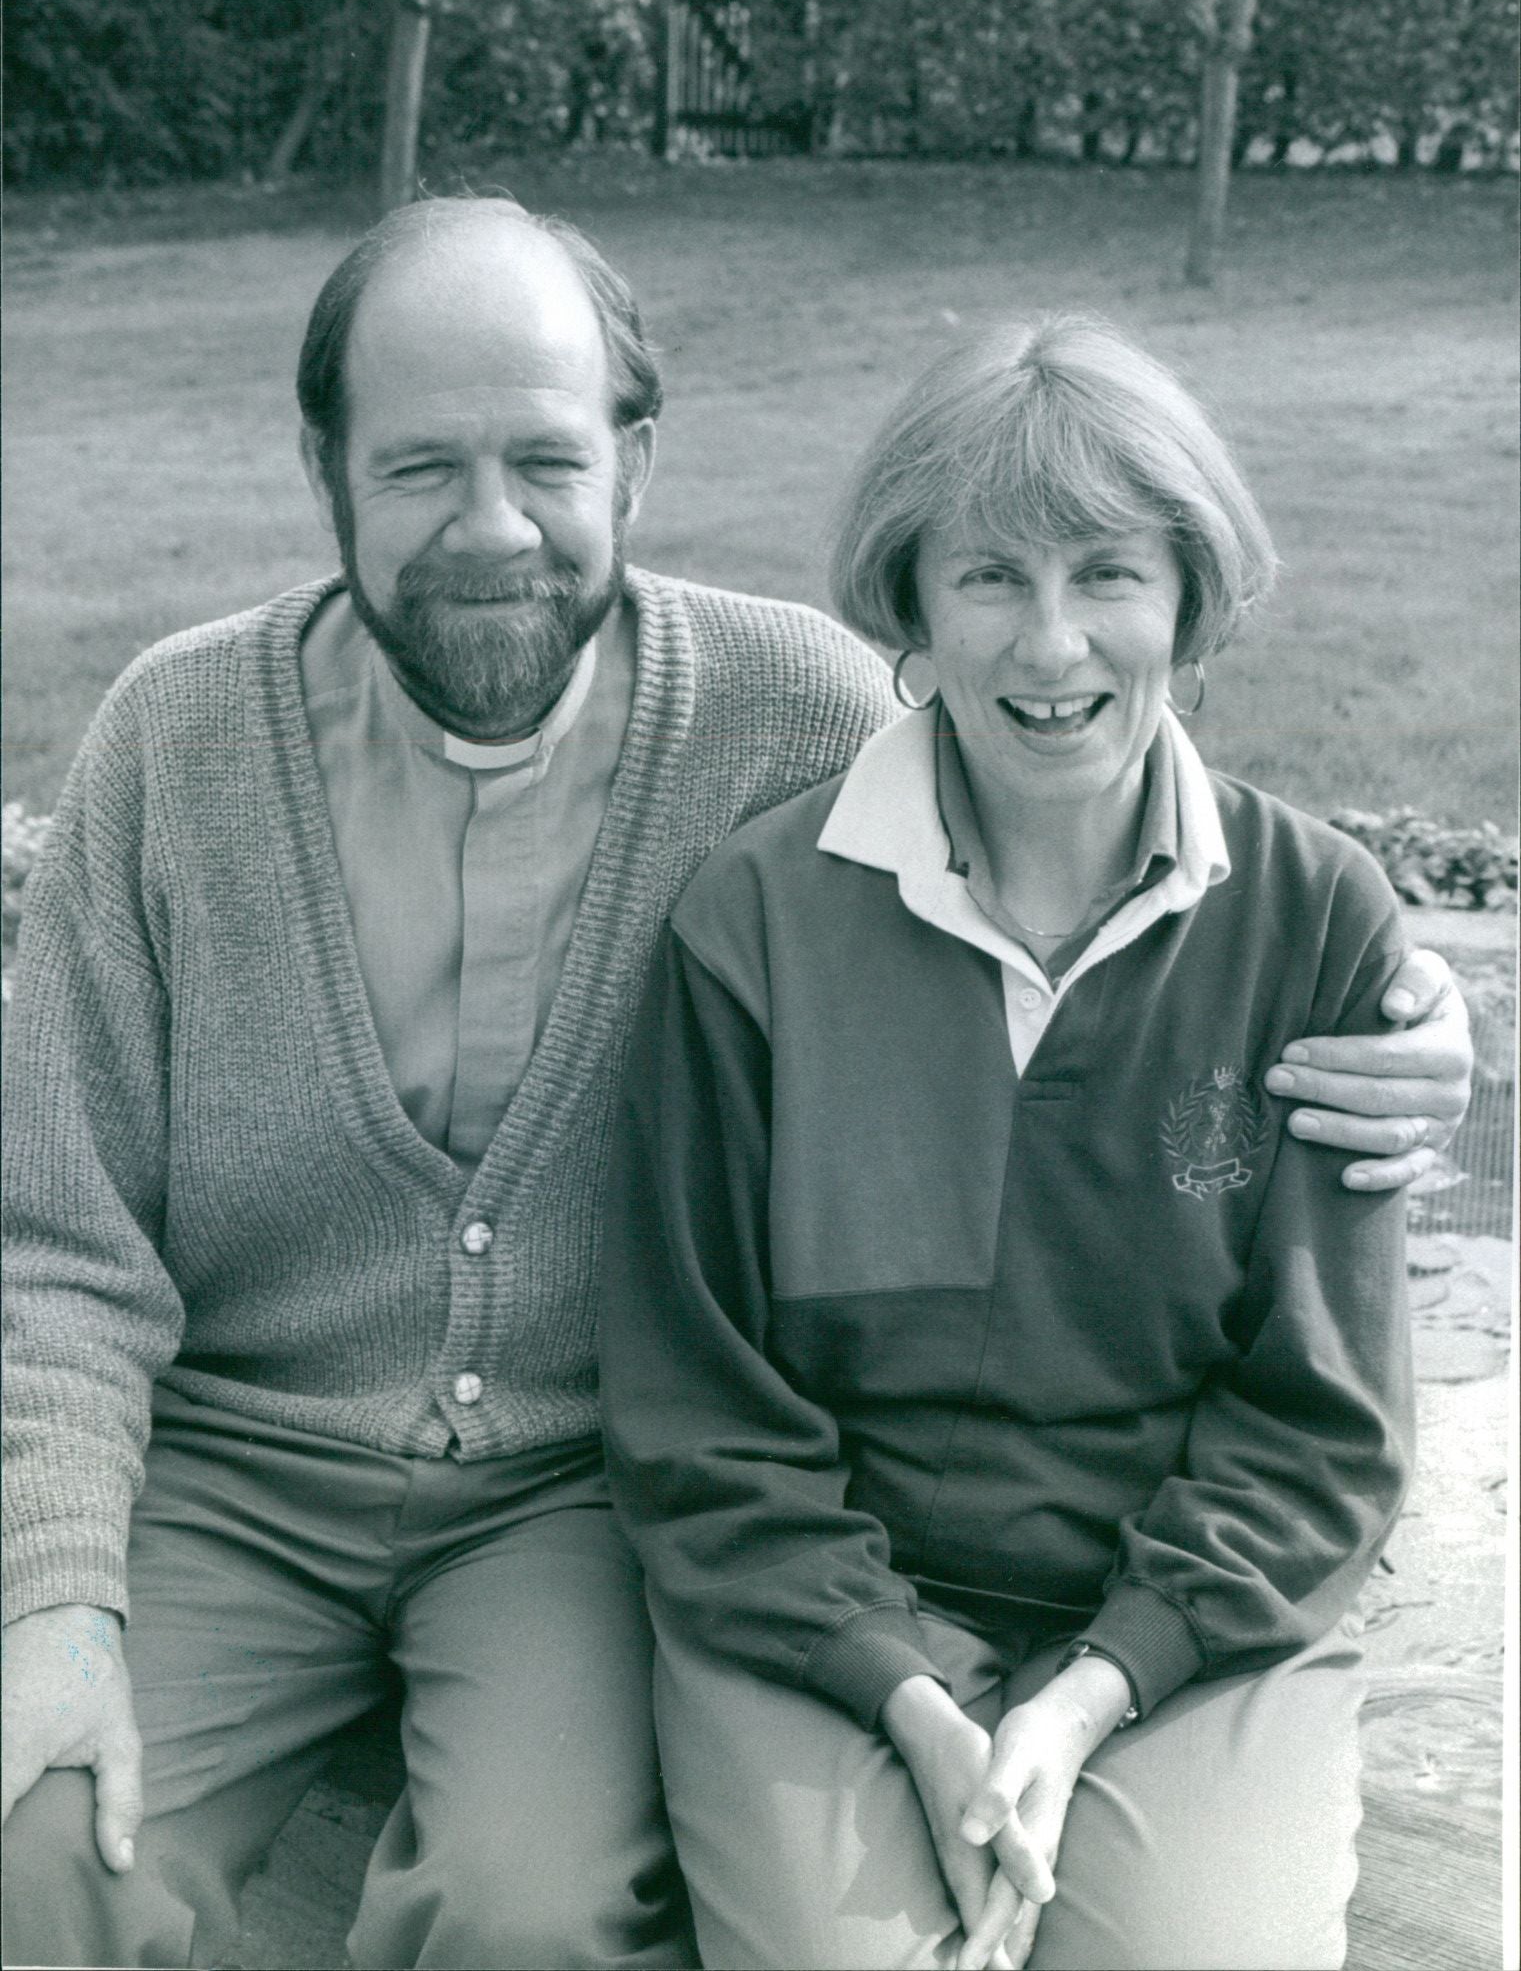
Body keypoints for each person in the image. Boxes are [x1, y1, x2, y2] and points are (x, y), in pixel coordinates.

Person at [0, 202, 1466, 1971]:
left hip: (560, 1496)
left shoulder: (797, 710)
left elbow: (1067, 804)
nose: (492, 525)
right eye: (421, 467)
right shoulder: (176, 739)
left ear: (635, 459)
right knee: (39, 1842)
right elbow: (54, 1238)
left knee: (531, 1911)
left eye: (547, 460)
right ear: (326, 469)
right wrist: (55, 1594)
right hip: (242, 1472)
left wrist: (1408, 1024)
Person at [599, 316, 1443, 1971]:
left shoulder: (1312, 920)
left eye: (1108, 574)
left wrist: (1091, 1690)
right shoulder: (754, 922)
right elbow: (697, 1406)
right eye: (988, 576)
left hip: (1192, 1623)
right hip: (822, 1614)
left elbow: (1320, 1420)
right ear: (910, 603)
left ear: (1188, 597)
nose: (1050, 645)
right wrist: (910, 1701)